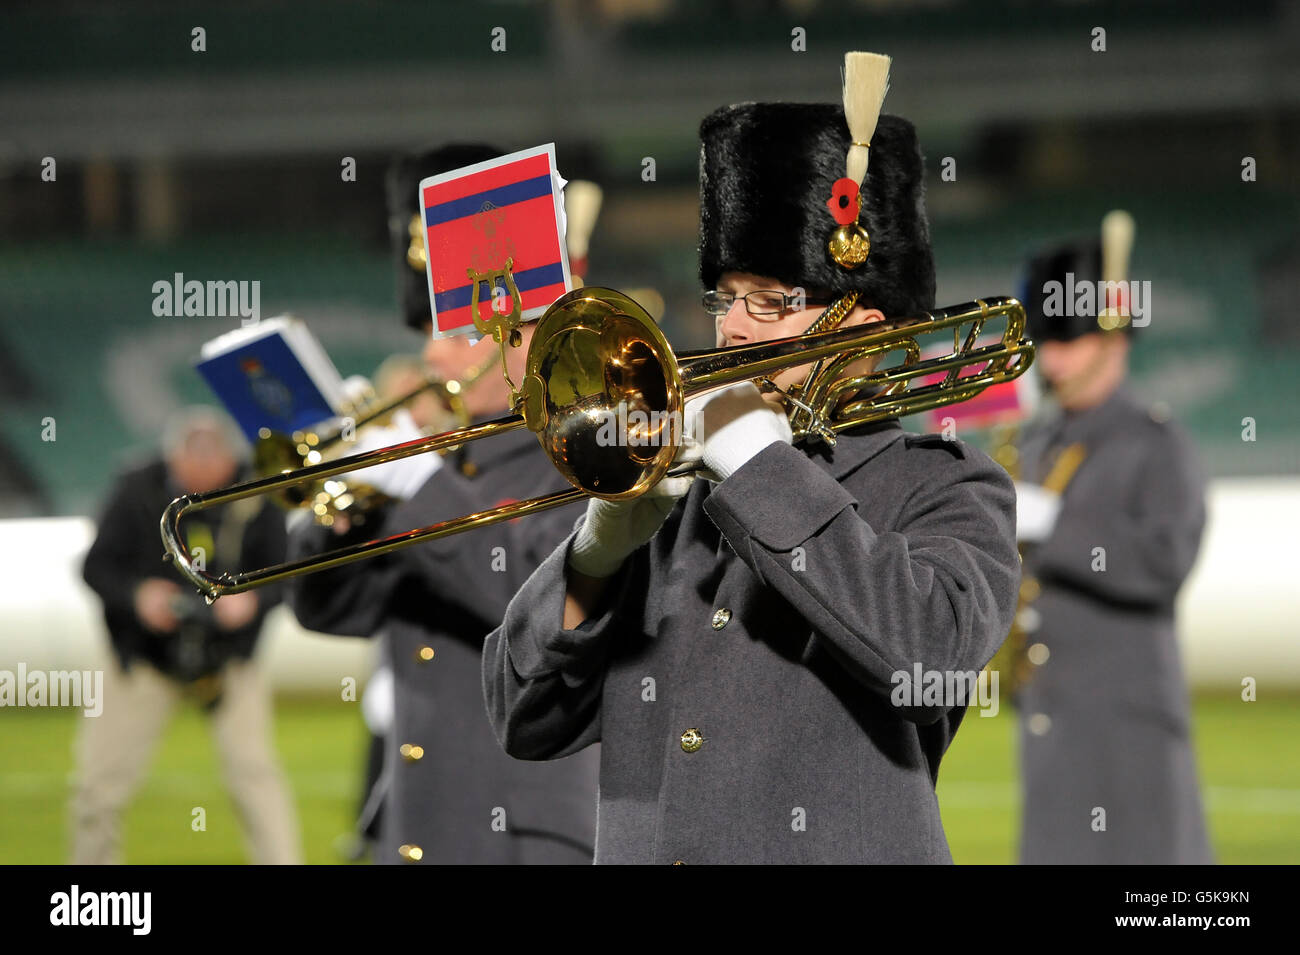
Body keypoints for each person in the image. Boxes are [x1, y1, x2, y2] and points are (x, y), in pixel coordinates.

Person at [482, 52, 1021, 864]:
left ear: (859, 324)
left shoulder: (942, 480)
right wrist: (591, 560)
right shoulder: (676, 492)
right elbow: (524, 719)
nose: (732, 328)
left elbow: (930, 661)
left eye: (769, 302)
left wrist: (763, 467)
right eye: (726, 299)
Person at [286, 144, 599, 865]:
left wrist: (418, 484)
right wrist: (336, 519)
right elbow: (333, 611)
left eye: (456, 335)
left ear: (519, 337)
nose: (434, 358)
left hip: (529, 832)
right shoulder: (448, 459)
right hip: (421, 819)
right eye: (429, 333)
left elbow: (539, 606)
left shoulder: (580, 452)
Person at [1011, 214, 1213, 864]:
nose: (1053, 358)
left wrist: (1052, 523)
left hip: (1126, 723)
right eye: (1047, 339)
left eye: (1067, 339)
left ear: (1113, 338)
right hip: (1049, 713)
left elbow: (1164, 561)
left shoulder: (1156, 442)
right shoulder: (1037, 441)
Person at [78, 406, 300, 864]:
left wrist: (251, 601)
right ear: (172, 458)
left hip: (230, 658)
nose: (200, 474)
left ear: (229, 461)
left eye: (211, 463)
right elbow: (96, 566)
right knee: (97, 785)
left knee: (254, 774)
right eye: (191, 462)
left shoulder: (256, 491)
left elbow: (286, 574)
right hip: (144, 656)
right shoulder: (137, 487)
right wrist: (139, 596)